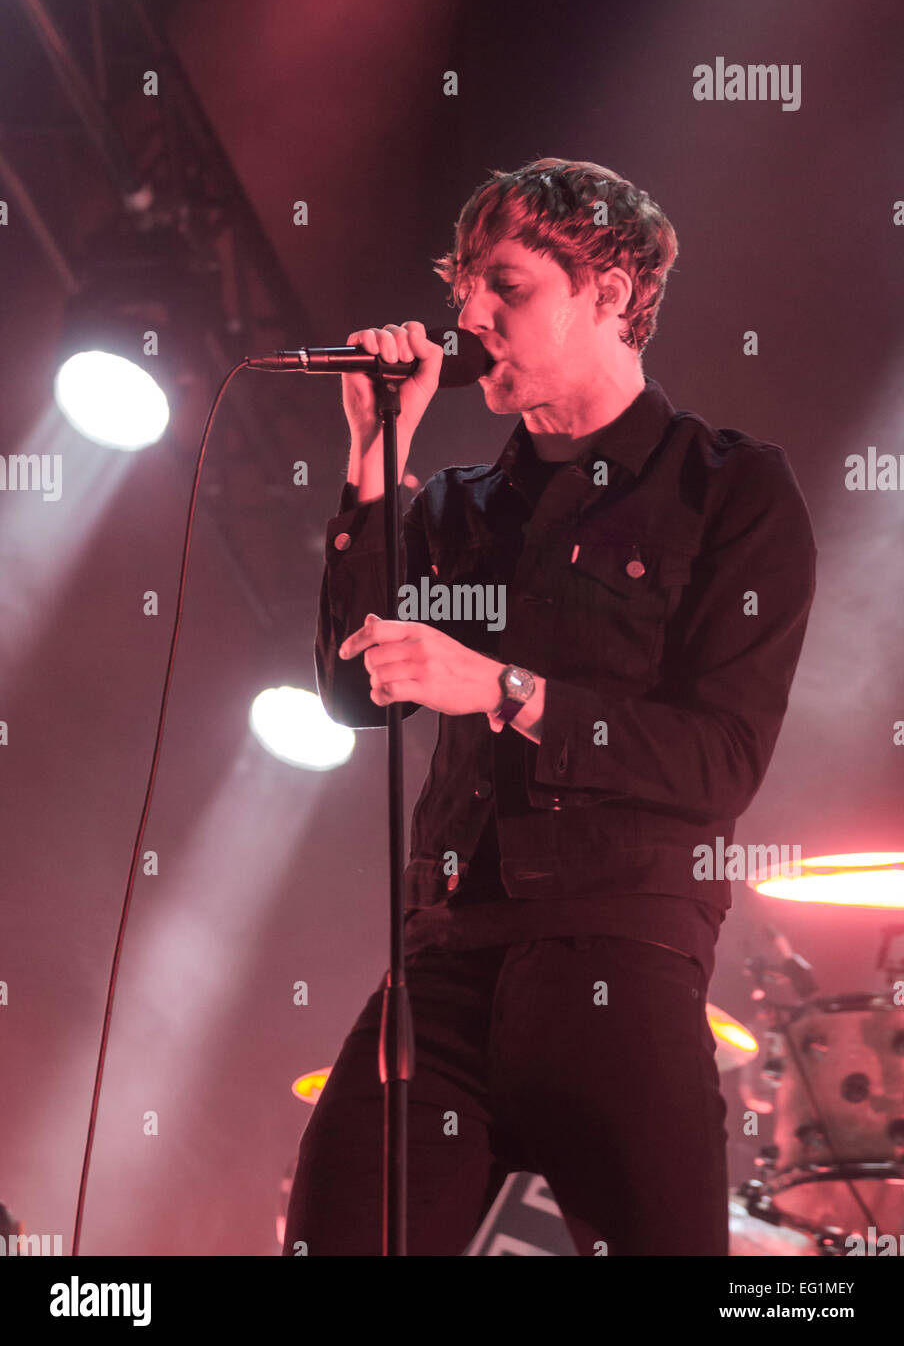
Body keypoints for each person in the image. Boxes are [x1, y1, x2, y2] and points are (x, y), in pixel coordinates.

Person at [282, 157, 817, 1256]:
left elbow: (719, 761)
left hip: (617, 954)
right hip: (442, 965)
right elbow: (349, 696)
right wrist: (376, 452)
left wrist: (505, 690)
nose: (468, 316)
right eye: (463, 290)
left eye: (506, 288)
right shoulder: (458, 507)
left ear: (610, 294)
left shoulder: (729, 489)